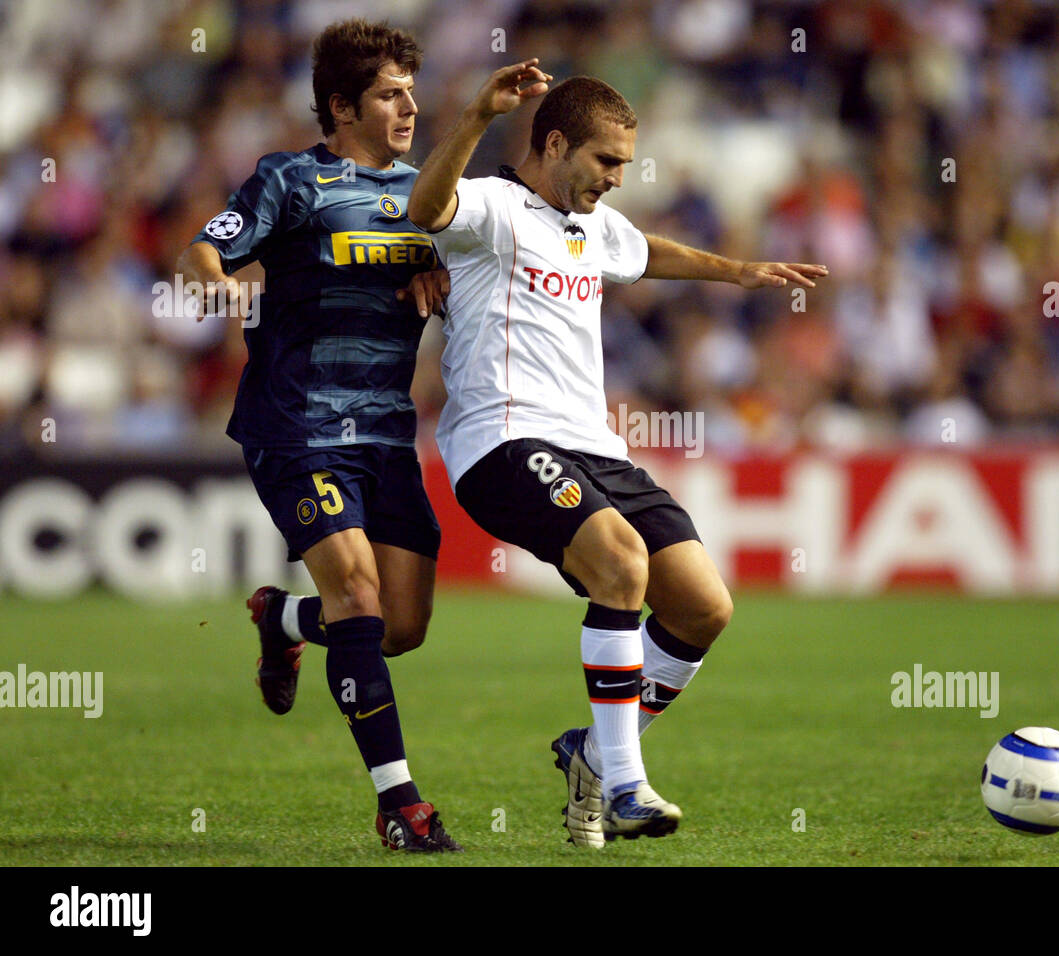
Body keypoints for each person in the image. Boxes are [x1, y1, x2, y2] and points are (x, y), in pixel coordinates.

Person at [406, 61, 827, 846]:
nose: (617, 180)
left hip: (594, 448)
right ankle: (625, 784)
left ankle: (590, 752)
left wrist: (738, 272)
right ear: (556, 142)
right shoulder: (494, 209)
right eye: (607, 162)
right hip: (503, 441)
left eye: (625, 165)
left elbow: (644, 251)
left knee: (704, 606)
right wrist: (473, 116)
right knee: (622, 565)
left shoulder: (590, 225)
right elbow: (425, 207)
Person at [176, 19, 459, 852]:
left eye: (412, 88)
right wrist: (218, 287)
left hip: (385, 432)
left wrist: (434, 265)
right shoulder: (291, 180)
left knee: (400, 626)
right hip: (297, 424)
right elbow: (204, 251)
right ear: (342, 105)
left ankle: (286, 622)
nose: (410, 105)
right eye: (388, 93)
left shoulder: (428, 195)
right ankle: (400, 804)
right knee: (361, 598)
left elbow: (462, 259)